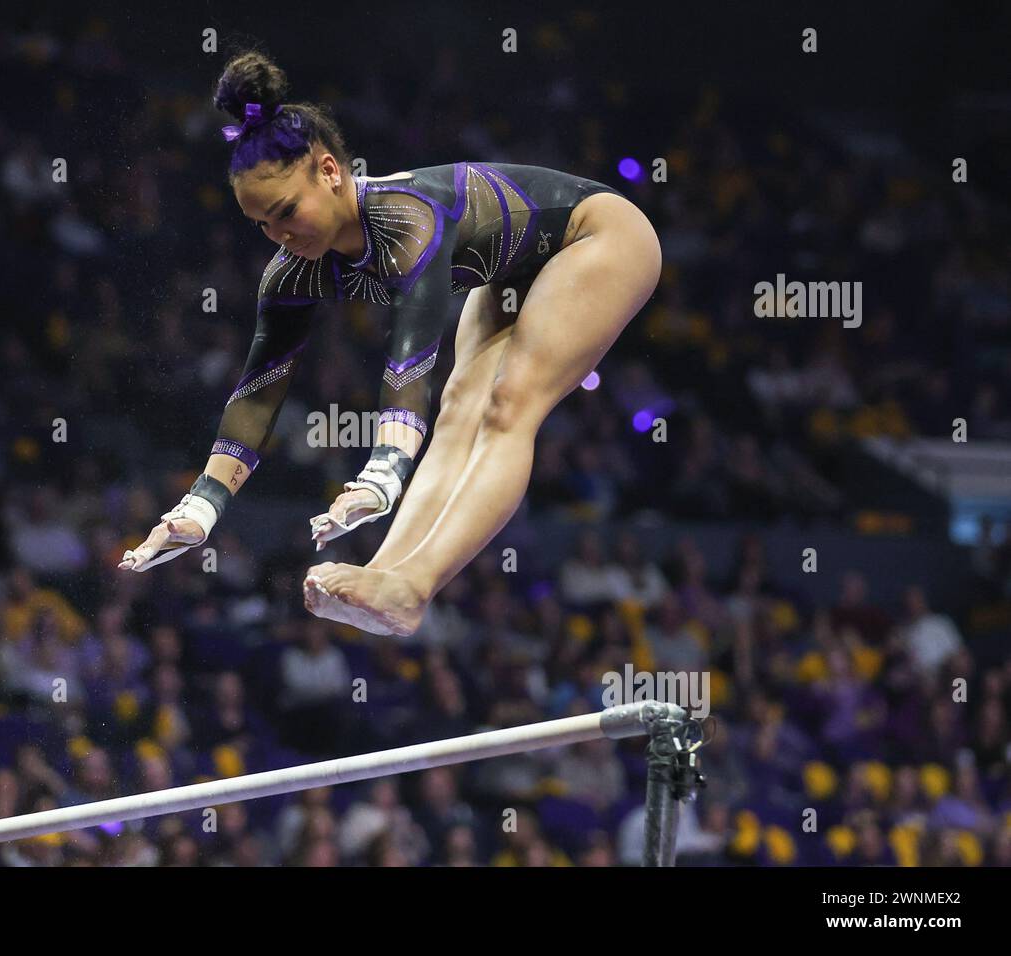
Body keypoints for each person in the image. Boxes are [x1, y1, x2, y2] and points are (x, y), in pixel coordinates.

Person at [121, 49, 661, 637]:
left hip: (599, 233)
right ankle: (388, 576)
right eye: (263, 225)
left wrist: (382, 477)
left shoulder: (407, 219)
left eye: (286, 212)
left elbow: (411, 360)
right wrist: (199, 510)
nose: (278, 234)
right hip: (510, 271)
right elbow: (256, 397)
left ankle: (413, 586)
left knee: (509, 405)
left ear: (330, 171)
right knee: (458, 415)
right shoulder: (291, 272)